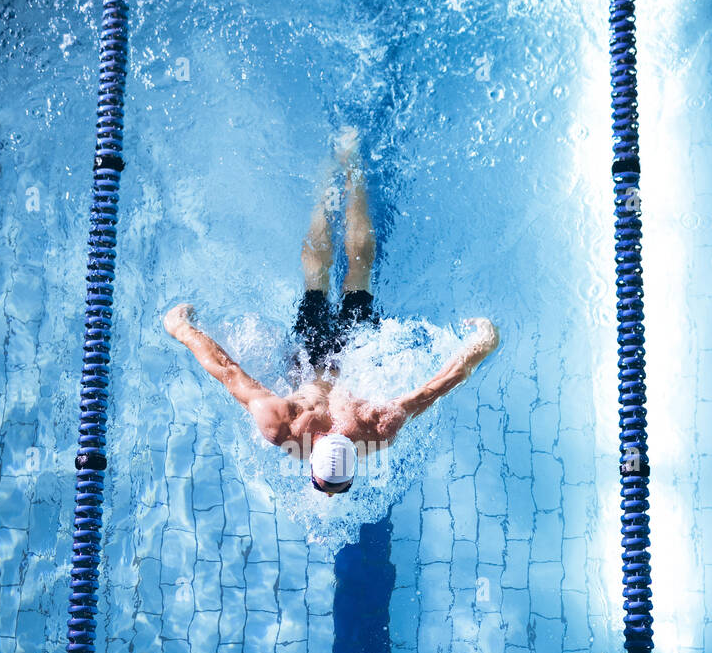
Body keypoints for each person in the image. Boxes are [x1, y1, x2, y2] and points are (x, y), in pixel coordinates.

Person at [163, 129, 500, 495]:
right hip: (316, 354)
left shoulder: (378, 428)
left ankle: (347, 166)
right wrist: (180, 328)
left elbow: (438, 385)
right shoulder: (281, 426)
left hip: (353, 348)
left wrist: (483, 343)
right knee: (316, 276)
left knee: (359, 269)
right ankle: (333, 172)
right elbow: (227, 370)